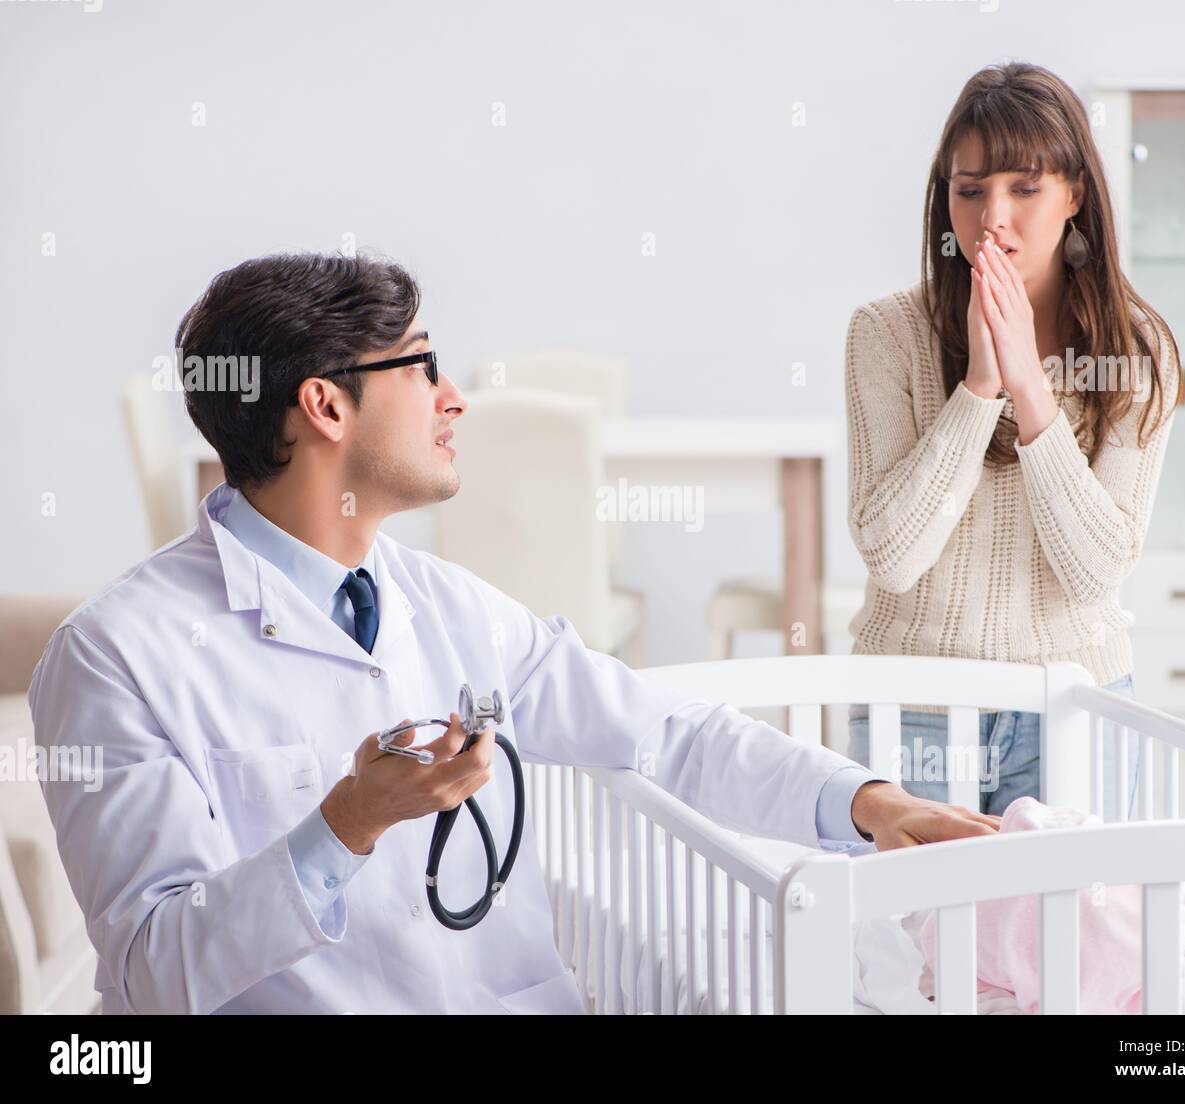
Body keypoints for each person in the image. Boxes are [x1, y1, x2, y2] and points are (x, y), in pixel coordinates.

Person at [30, 252, 998, 1015]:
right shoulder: (119, 654)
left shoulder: (449, 606)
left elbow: (664, 732)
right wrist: (347, 823)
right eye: (420, 368)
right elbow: (155, 972)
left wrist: (868, 801)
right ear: (324, 405)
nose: (454, 399)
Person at [843, 63, 1183, 817]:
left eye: (1024, 188)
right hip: (918, 700)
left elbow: (1096, 572)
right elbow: (892, 558)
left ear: (1075, 194)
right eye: (970, 191)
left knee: (1071, 931)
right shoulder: (885, 333)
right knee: (908, 932)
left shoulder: (1139, 348)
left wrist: (1031, 388)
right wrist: (979, 391)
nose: (993, 218)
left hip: (1074, 699)